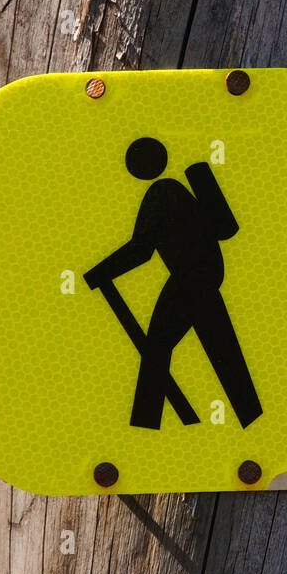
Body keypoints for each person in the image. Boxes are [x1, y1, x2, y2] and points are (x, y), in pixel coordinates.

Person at [84, 137, 262, 429]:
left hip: (189, 279)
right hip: (208, 275)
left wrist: (98, 273)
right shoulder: (178, 190)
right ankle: (254, 421)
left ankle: (144, 428)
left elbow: (141, 250)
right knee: (224, 351)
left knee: (157, 348)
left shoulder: (160, 194)